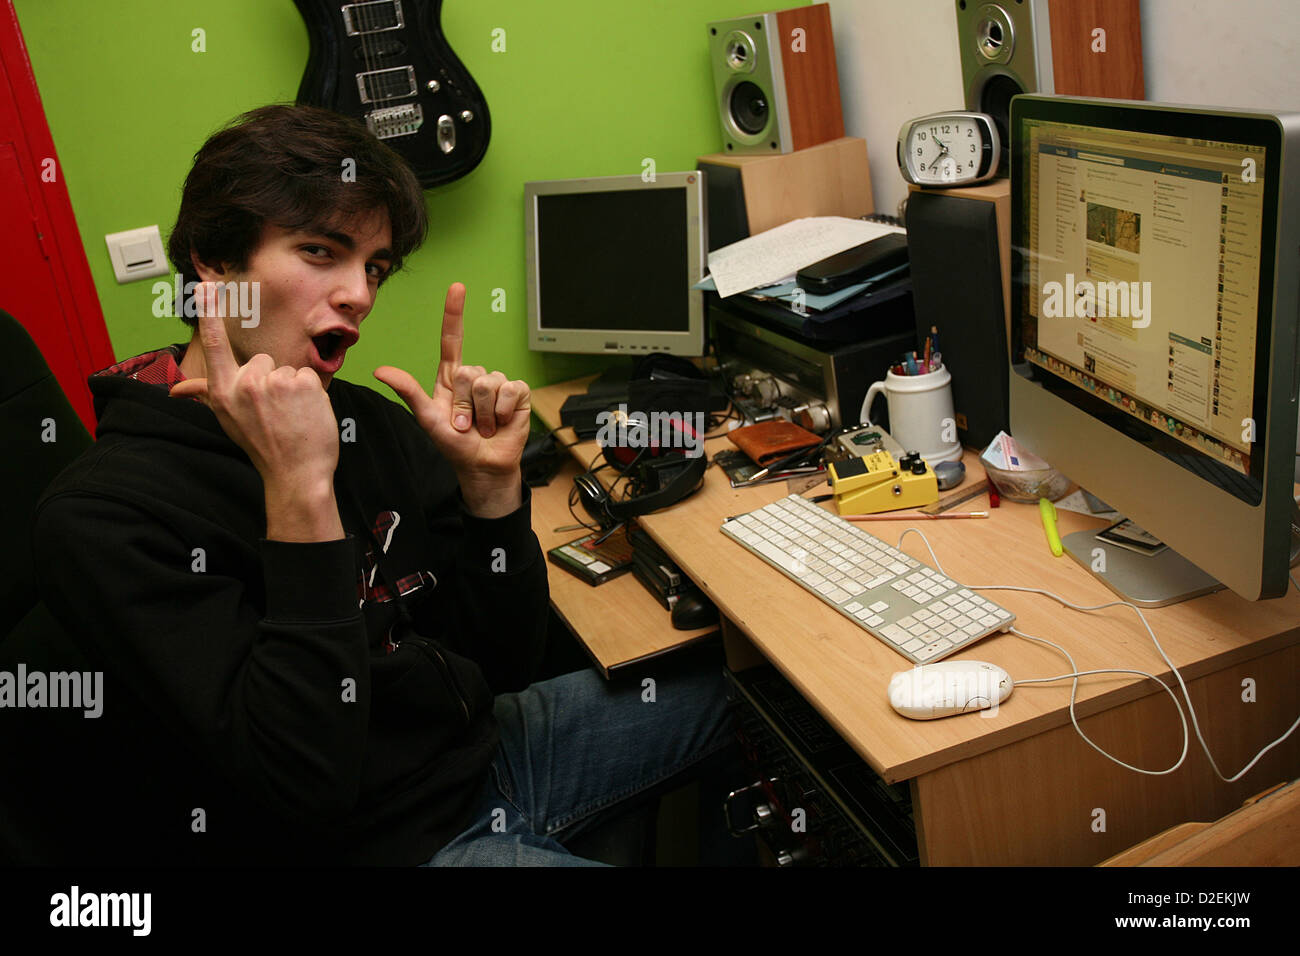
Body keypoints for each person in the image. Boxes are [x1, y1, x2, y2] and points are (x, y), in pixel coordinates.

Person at [27, 104, 734, 866]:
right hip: (374, 844)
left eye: (374, 267)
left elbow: (501, 666)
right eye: (320, 251)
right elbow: (299, 784)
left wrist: (491, 494)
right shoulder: (107, 516)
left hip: (481, 760)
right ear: (214, 264)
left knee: (764, 704)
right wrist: (300, 489)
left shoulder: (366, 422)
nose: (360, 294)